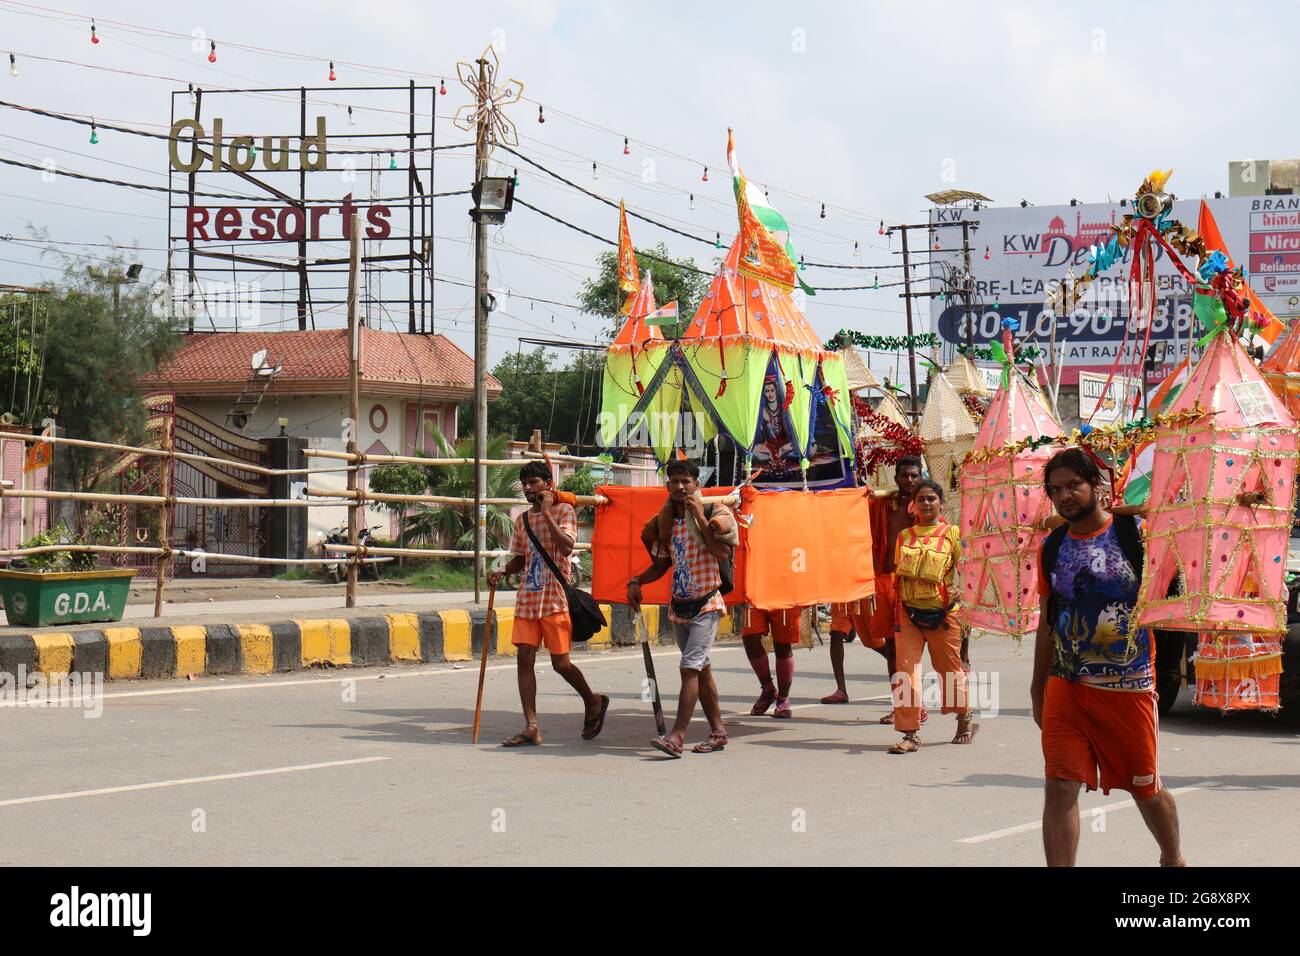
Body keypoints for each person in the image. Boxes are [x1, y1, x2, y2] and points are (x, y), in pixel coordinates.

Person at [1032, 448, 1184, 867]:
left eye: (1073, 485)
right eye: (1056, 489)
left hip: (1128, 687)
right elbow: (1048, 621)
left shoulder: (1138, 535)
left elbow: (1188, 557)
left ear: (1096, 486)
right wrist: (1036, 688)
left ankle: (1172, 858)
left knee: (1145, 789)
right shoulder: (1052, 546)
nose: (1065, 496)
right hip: (1067, 686)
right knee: (1060, 785)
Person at [488, 460, 608, 747]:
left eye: (534, 483)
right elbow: (520, 558)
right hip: (528, 598)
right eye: (526, 484)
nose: (529, 488)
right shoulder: (523, 520)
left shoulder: (564, 511)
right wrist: (502, 570)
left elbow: (566, 547)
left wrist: (547, 513)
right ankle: (531, 725)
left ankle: (592, 701)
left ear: (547, 484)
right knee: (524, 659)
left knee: (561, 664)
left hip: (555, 599)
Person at [627, 459, 736, 757]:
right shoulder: (665, 521)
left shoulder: (714, 512)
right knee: (701, 671)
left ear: (696, 485)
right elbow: (662, 564)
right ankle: (718, 732)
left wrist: (699, 516)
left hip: (706, 604)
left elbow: (721, 553)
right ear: (667, 486)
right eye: (674, 482)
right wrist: (637, 581)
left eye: (685, 482)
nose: (680, 487)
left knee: (689, 669)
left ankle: (676, 736)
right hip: (680, 606)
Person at [887, 479, 975, 753]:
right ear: (913, 505)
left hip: (944, 615)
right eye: (921, 499)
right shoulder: (904, 536)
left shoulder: (952, 534)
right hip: (909, 615)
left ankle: (964, 718)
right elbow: (897, 577)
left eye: (931, 499)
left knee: (950, 671)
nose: (926, 503)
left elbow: (969, 571)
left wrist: (964, 601)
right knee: (905, 674)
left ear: (940, 502)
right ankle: (909, 734)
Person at [742, 605, 806, 717]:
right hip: (753, 595)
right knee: (749, 636)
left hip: (785, 596)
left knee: (783, 644)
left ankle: (783, 697)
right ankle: (768, 689)